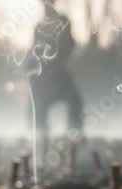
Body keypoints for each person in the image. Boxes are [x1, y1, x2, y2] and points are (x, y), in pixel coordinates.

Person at [30, 2, 83, 139]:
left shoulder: (63, 21)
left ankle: (75, 135)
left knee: (75, 101)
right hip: (45, 75)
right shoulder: (39, 27)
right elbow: (34, 51)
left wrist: (62, 55)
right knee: (36, 104)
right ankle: (40, 136)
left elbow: (70, 45)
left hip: (59, 72)